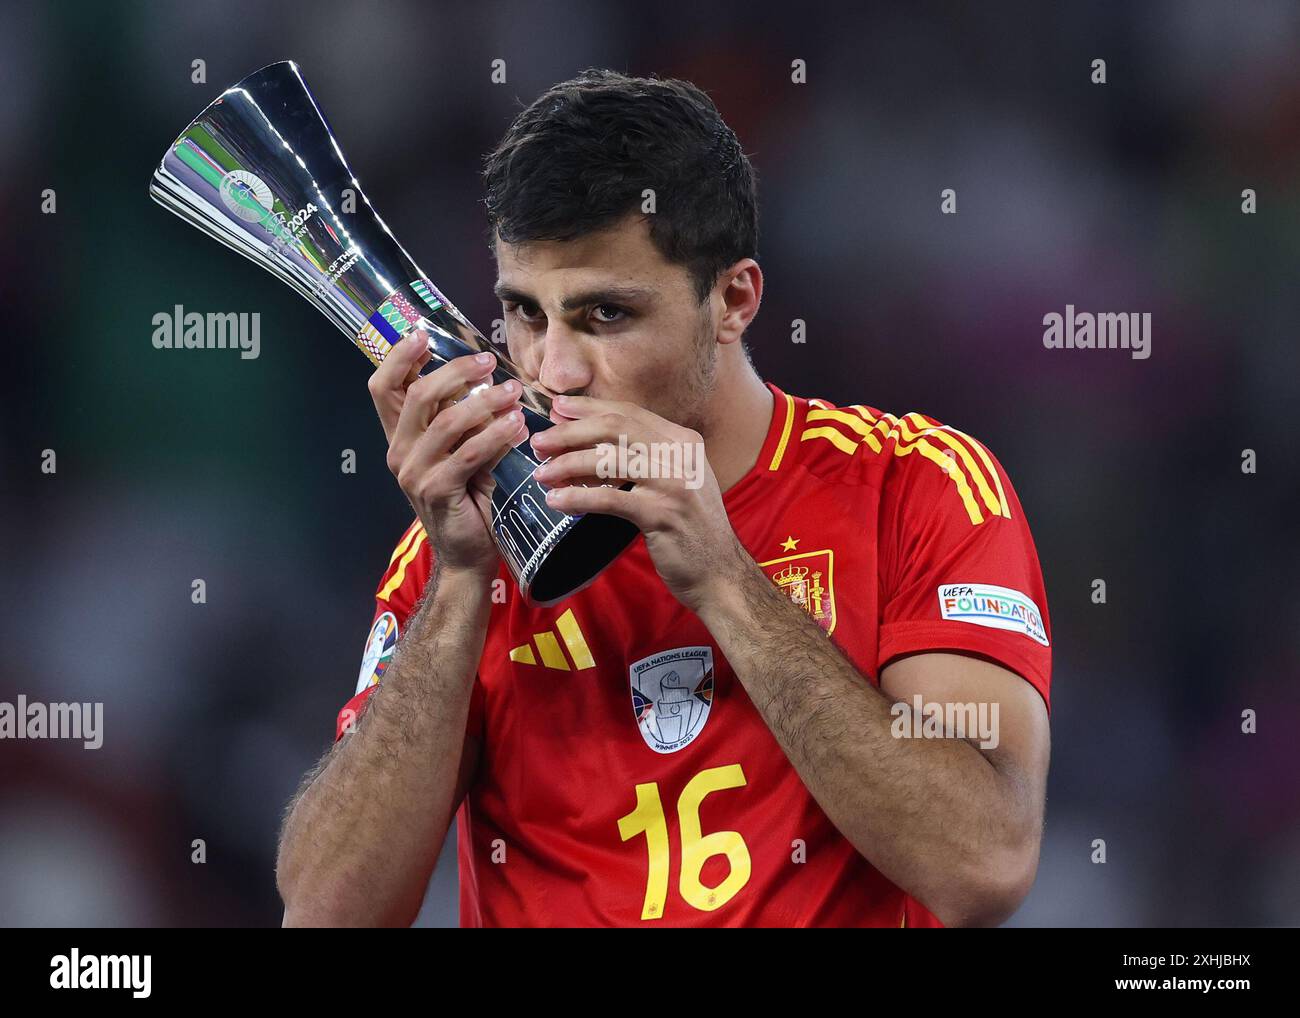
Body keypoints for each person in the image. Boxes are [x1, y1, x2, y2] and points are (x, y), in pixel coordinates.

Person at [276, 68, 1052, 927]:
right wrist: (460, 581)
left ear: (733, 300)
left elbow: (984, 862)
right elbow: (325, 914)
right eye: (526, 315)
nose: (555, 371)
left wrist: (723, 580)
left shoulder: (917, 487)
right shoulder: (460, 538)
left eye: (607, 315)